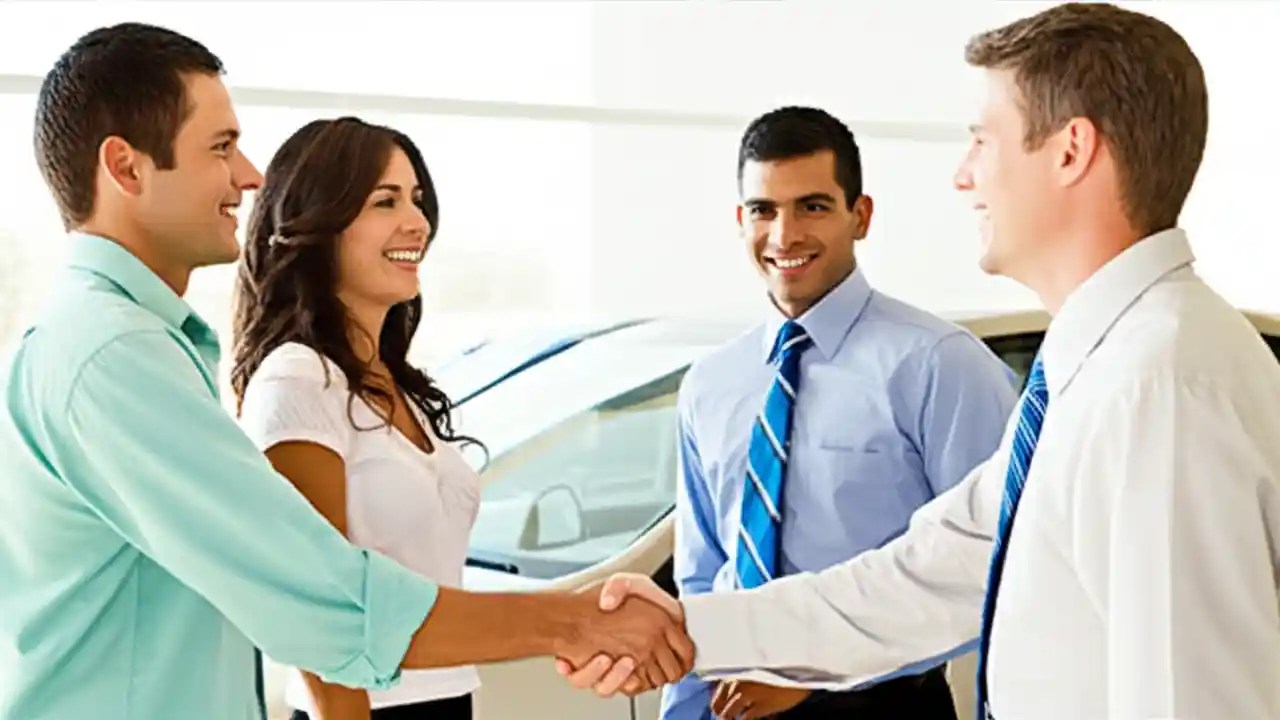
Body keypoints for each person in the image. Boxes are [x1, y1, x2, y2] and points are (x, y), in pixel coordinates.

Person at [560, 4, 1280, 719]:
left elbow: (1195, 700)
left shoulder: (1162, 386)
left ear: (1071, 150)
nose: (964, 177)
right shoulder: (1095, 368)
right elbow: (924, 578)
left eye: (982, 141)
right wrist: (693, 628)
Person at [0, 23, 692, 720]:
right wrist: (573, 619)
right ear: (126, 168)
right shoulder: (112, 357)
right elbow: (314, 594)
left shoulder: (111, 342)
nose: (248, 175)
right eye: (221, 147)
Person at [656, 106, 1017, 720]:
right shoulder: (710, 384)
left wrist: (821, 674)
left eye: (813, 207)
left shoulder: (938, 365)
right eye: (764, 210)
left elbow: (997, 572)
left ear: (861, 215)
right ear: (741, 220)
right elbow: (703, 576)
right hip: (729, 701)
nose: (785, 235)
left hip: (881, 704)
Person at [232, 117, 483, 719]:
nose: (417, 223)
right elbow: (317, 626)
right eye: (384, 201)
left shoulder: (400, 387)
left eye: (417, 200)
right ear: (319, 223)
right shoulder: (297, 380)